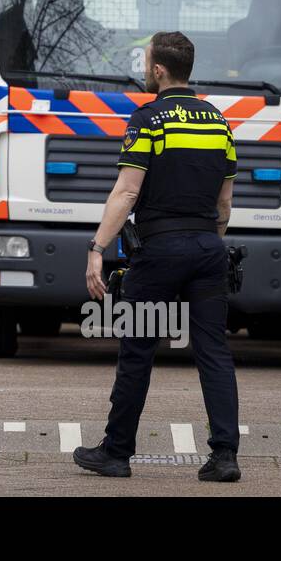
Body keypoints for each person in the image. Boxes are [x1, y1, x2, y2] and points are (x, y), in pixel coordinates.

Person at [73, 30, 241, 482]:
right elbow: (225, 203)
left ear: (159, 70)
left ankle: (116, 453)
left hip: (159, 253)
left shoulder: (149, 120)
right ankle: (225, 456)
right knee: (214, 353)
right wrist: (209, 240)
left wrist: (97, 249)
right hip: (208, 250)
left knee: (138, 352)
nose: (145, 70)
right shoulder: (218, 123)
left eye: (147, 63)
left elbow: (127, 191)